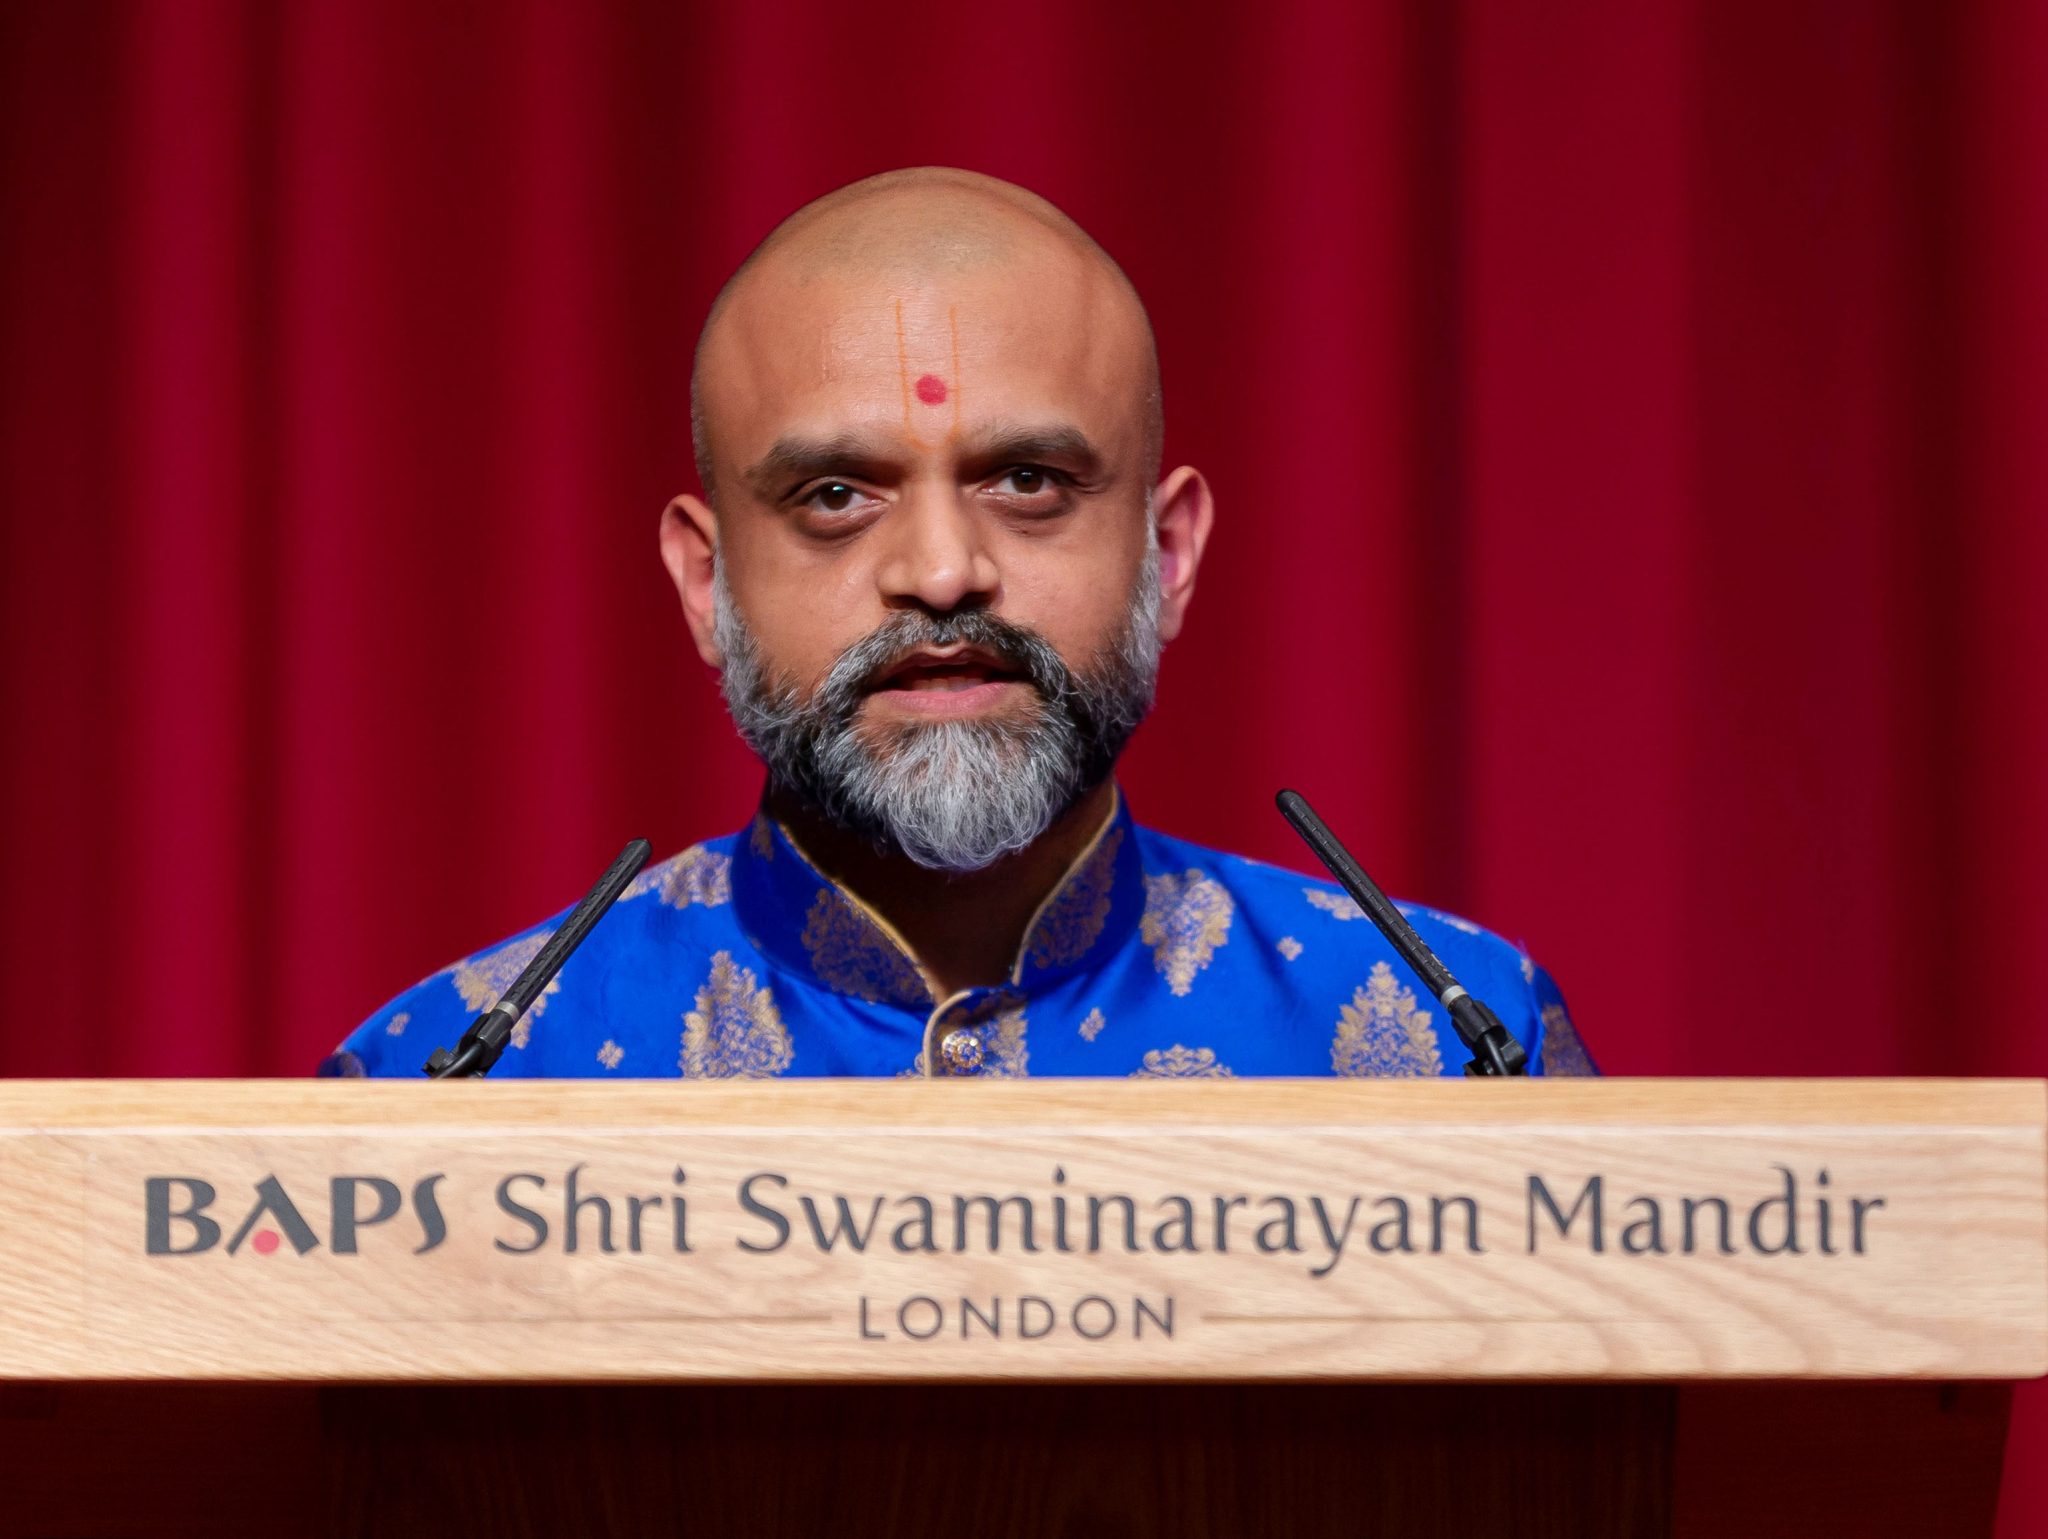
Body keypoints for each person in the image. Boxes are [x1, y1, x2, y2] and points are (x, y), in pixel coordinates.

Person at [319, 167, 1595, 1081]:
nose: (940, 572)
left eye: (1027, 481)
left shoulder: (1455, 1046)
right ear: (707, 585)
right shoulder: (455, 1083)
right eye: (835, 496)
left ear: (1166, 553)